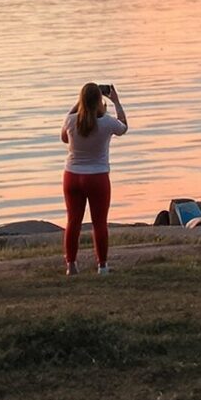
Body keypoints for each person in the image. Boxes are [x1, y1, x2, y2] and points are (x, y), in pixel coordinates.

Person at [61, 81, 130, 275]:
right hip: (97, 178)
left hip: (72, 176)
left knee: (73, 222)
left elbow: (64, 138)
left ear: (81, 100)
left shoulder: (71, 120)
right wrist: (116, 102)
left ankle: (71, 265)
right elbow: (124, 127)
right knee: (99, 223)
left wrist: (78, 103)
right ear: (100, 100)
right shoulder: (107, 122)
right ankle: (102, 266)